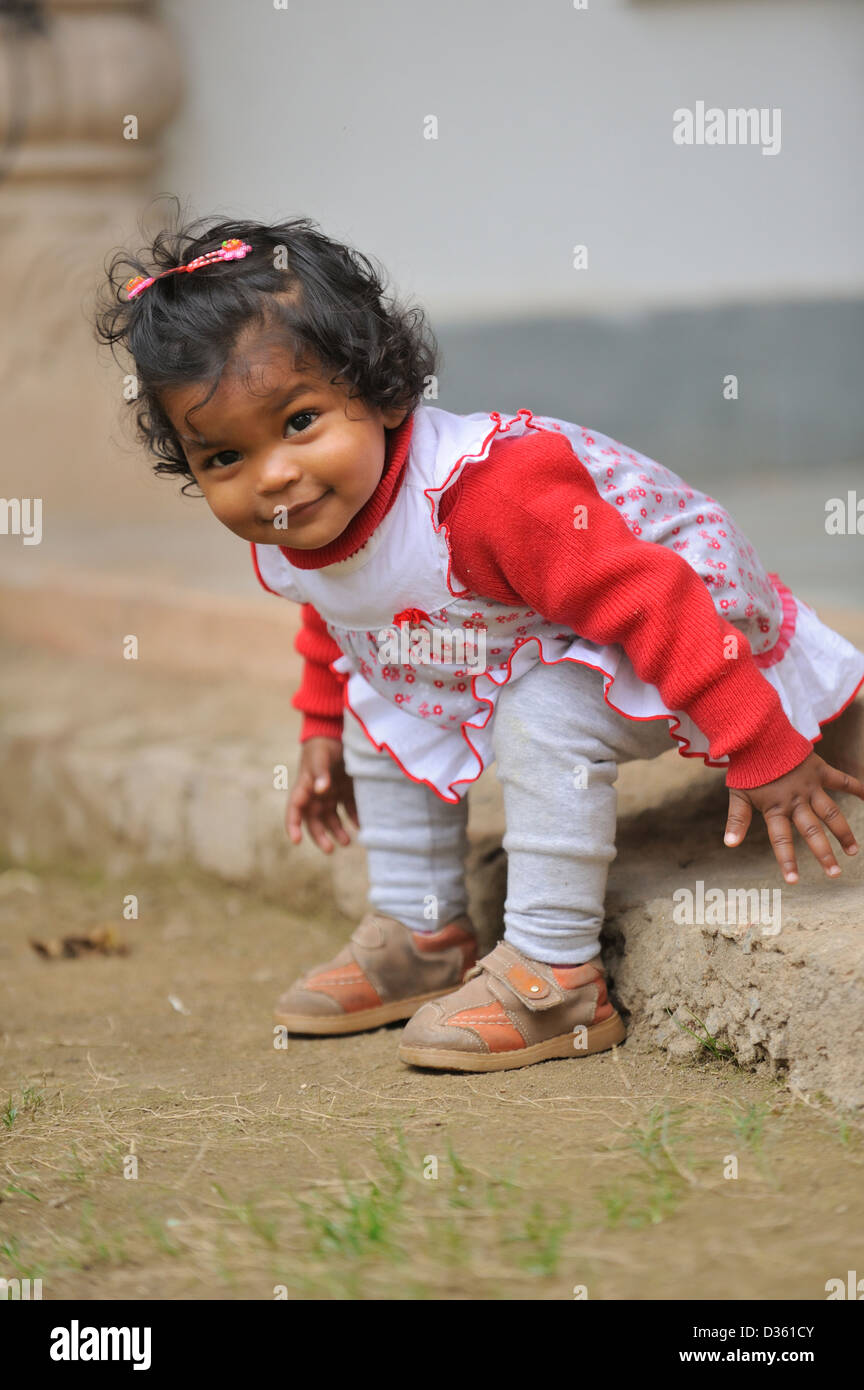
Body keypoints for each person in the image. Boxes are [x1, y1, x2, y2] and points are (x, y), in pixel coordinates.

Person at [95, 215, 864, 1073]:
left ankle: (559, 978)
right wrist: (320, 728)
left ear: (385, 391)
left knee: (542, 712)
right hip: (503, 636)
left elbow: (655, 597)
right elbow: (342, 616)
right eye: (225, 456)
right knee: (383, 694)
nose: (271, 474)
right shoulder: (298, 524)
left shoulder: (488, 497)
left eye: (302, 419)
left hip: (677, 616)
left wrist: (761, 746)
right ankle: (423, 934)